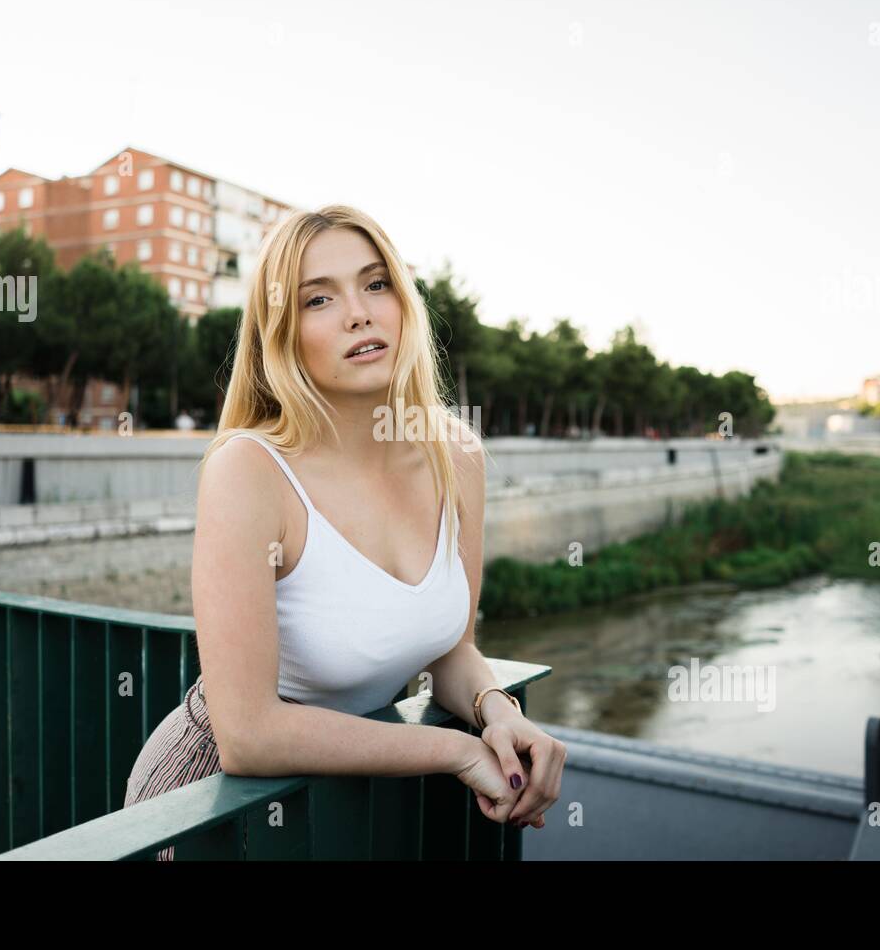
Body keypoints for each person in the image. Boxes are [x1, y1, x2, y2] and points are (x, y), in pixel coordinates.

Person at [123, 204, 566, 858]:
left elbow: (449, 651)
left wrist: (498, 709)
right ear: (281, 334)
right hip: (213, 802)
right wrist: (452, 750)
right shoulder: (249, 469)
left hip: (345, 799)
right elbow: (248, 733)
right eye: (319, 298)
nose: (359, 311)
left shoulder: (457, 457)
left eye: (376, 282)